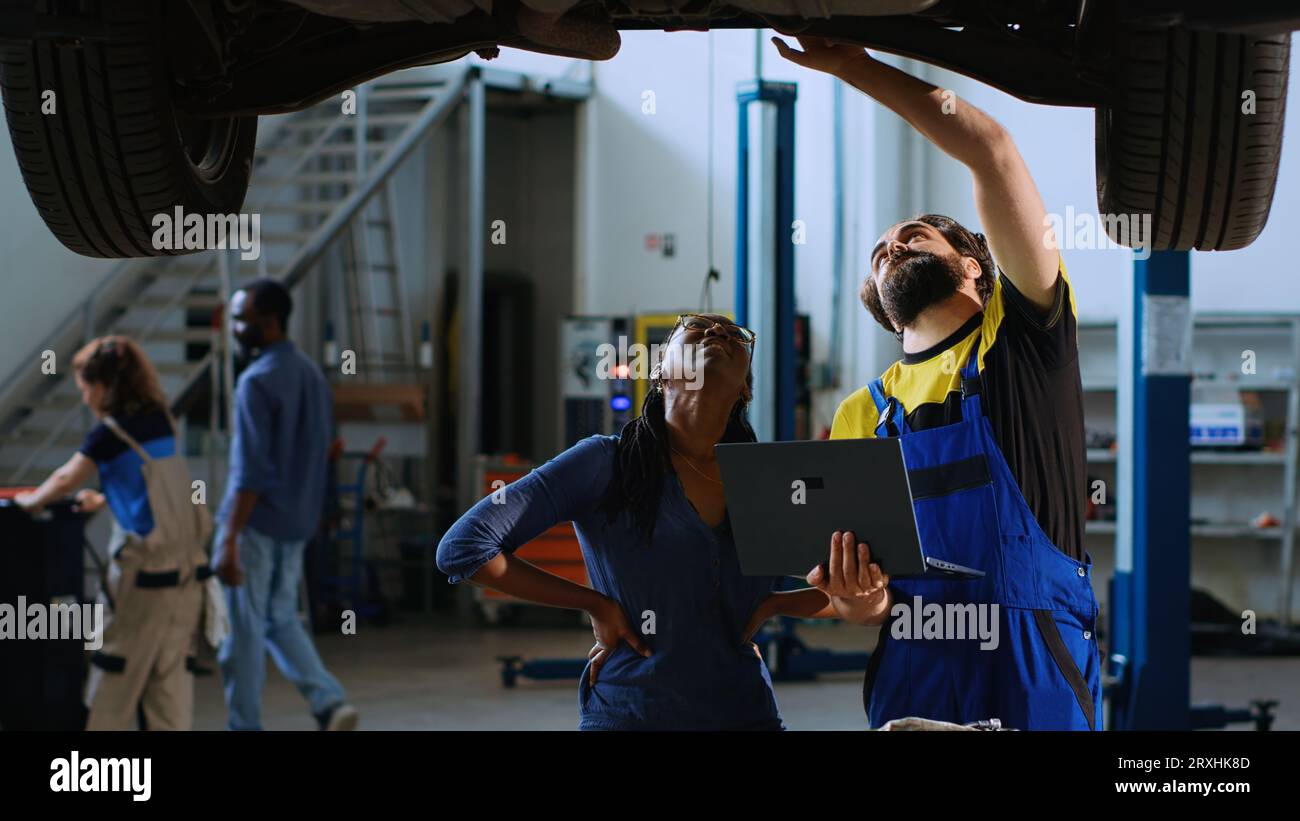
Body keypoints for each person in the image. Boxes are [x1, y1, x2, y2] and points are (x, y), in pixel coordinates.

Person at [775, 37, 1101, 730]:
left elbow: (995, 152)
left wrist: (850, 64)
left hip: (1031, 656)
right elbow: (866, 602)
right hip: (914, 664)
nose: (891, 245)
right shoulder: (865, 411)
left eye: (916, 235)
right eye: (880, 250)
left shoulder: (1022, 338)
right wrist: (854, 599)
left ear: (976, 267)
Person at [437, 314, 886, 730]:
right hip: (631, 713)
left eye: (732, 336)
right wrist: (595, 604)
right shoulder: (604, 463)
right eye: (695, 329)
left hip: (744, 713)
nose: (715, 333)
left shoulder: (766, 478)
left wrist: (775, 604)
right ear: (660, 372)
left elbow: (846, 589)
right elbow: (464, 548)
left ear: (745, 389)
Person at [17, 335, 208, 730]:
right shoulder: (161, 420)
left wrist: (29, 503)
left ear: (105, 387)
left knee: (114, 671)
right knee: (168, 681)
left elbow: (66, 477)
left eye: (87, 389)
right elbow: (154, 487)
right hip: (188, 575)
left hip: (144, 579)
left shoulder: (110, 433)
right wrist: (104, 500)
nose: (86, 399)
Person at [214, 279, 358, 731]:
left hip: (256, 522)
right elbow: (323, 451)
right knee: (279, 616)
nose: (235, 327)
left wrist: (230, 537)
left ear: (268, 322)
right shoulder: (312, 375)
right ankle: (330, 702)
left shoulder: (255, 382)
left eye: (242, 319)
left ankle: (244, 725)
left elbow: (250, 470)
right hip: (297, 520)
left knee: (242, 630)